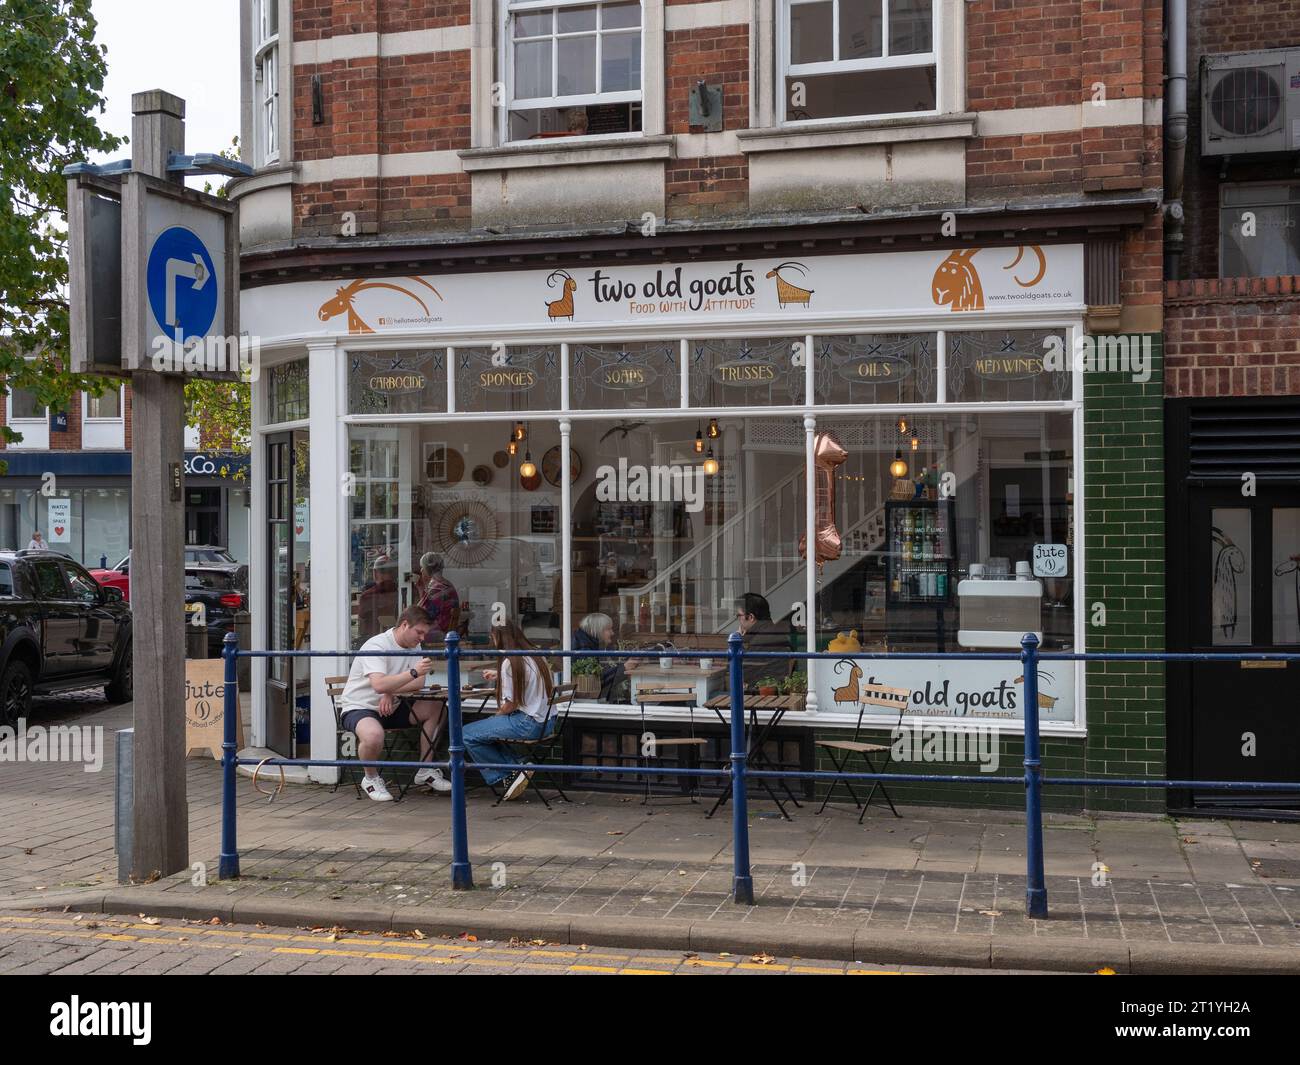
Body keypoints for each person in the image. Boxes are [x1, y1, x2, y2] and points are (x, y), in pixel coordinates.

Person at [339, 605, 451, 801]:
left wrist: (390, 691)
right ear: (405, 625)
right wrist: (404, 678)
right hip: (360, 707)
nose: (422, 639)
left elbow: (419, 683)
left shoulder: (414, 646)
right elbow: (380, 683)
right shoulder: (377, 646)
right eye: (419, 632)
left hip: (395, 706)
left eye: (425, 634)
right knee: (373, 735)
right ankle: (370, 778)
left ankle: (425, 769)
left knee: (438, 707)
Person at [463, 619, 555, 801]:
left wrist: (495, 717)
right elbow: (527, 676)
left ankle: (509, 773)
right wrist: (500, 674)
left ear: (498, 637)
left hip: (528, 724)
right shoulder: (536, 655)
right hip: (548, 723)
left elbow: (510, 705)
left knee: (466, 734)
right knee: (487, 732)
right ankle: (517, 767)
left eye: (492, 636)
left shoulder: (509, 663)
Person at [735, 592, 792, 689]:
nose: (738, 620)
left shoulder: (763, 639)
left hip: (765, 694)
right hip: (772, 690)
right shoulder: (770, 632)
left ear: (751, 617)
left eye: (738, 616)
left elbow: (741, 672)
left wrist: (737, 642)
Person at [574, 612, 626, 702]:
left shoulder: (591, 646)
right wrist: (624, 668)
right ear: (598, 630)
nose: (612, 633)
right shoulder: (585, 650)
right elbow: (597, 681)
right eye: (608, 629)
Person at [415, 552, 460, 637]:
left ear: (428, 569)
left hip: (437, 632)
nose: (421, 570)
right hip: (445, 631)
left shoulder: (436, 588)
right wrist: (421, 589)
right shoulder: (446, 584)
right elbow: (428, 608)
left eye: (422, 567)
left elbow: (421, 615)